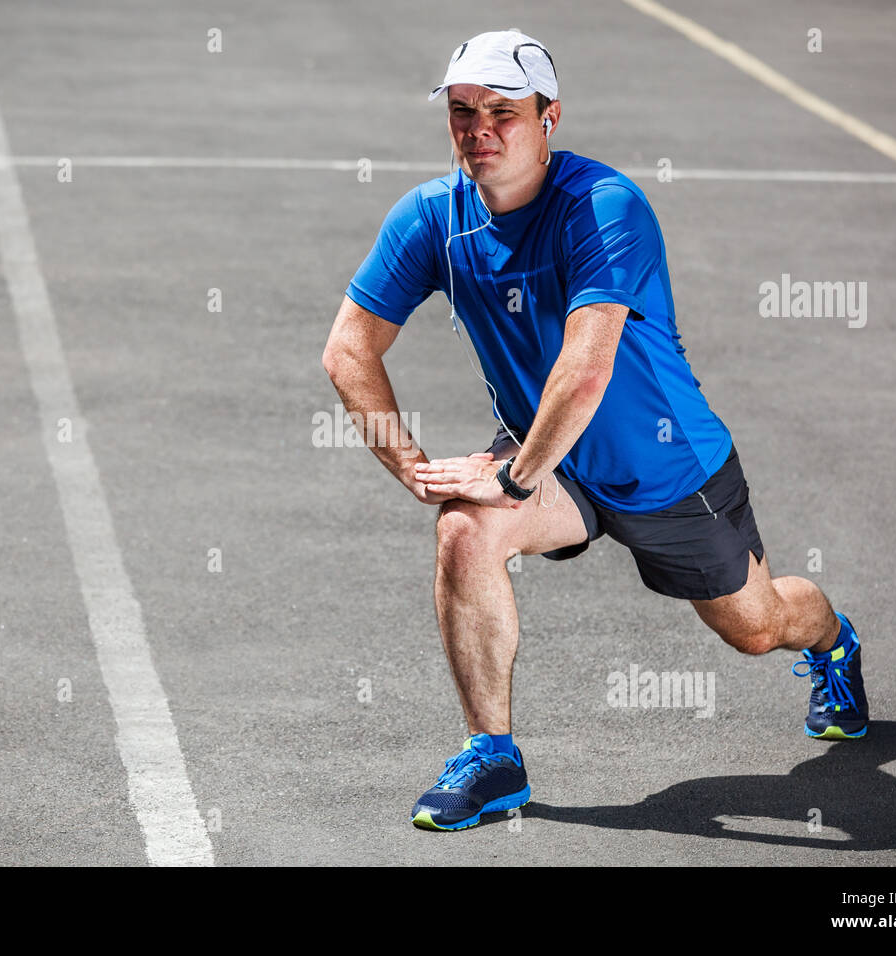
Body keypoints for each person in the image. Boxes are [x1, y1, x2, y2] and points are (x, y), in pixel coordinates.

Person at [320, 29, 868, 832]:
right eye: (463, 111)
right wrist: (415, 468)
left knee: (757, 629)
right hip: (555, 464)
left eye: (503, 111)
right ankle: (492, 756)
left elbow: (586, 369)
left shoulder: (604, 207)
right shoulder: (432, 218)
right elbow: (348, 347)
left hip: (667, 469)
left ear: (550, 119)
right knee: (465, 530)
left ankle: (834, 644)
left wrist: (510, 474)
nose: (480, 129)